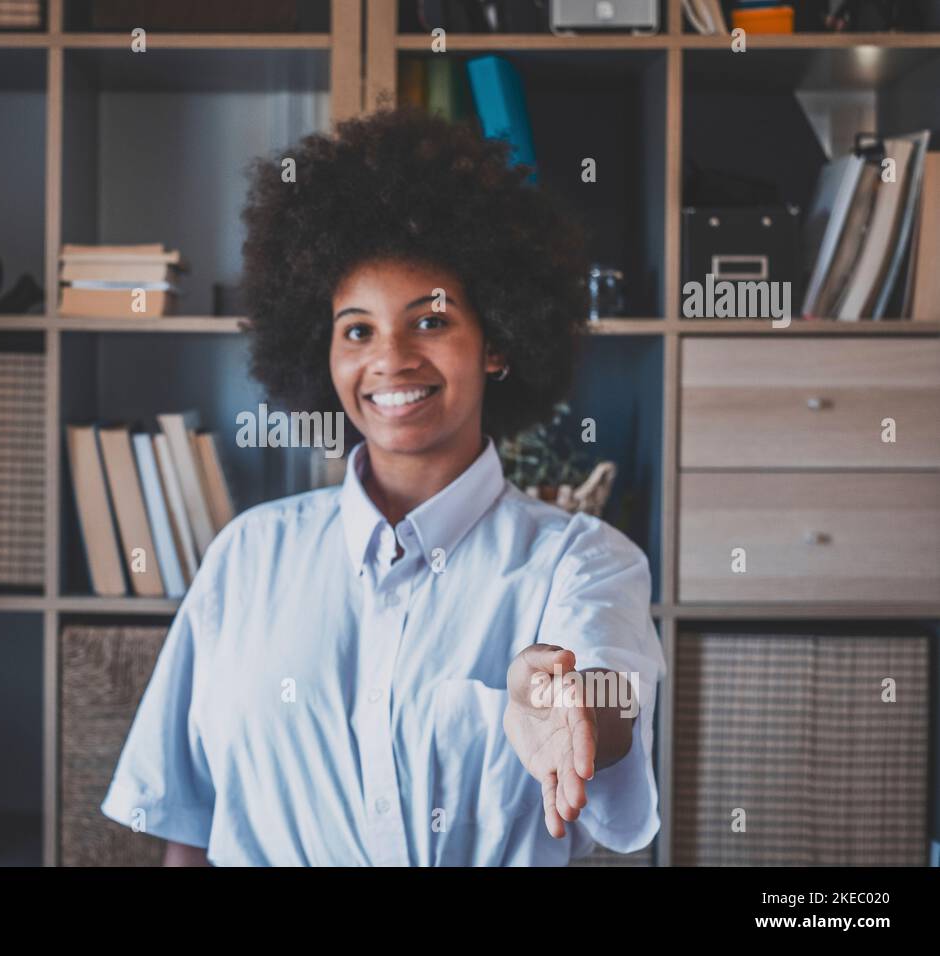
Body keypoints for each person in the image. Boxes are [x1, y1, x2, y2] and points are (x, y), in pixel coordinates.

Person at [100, 105, 666, 866]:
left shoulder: (581, 560)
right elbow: (188, 827)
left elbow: (613, 686)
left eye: (430, 322)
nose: (390, 357)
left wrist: (570, 704)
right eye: (357, 329)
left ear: (496, 343)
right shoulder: (247, 556)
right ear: (323, 353)